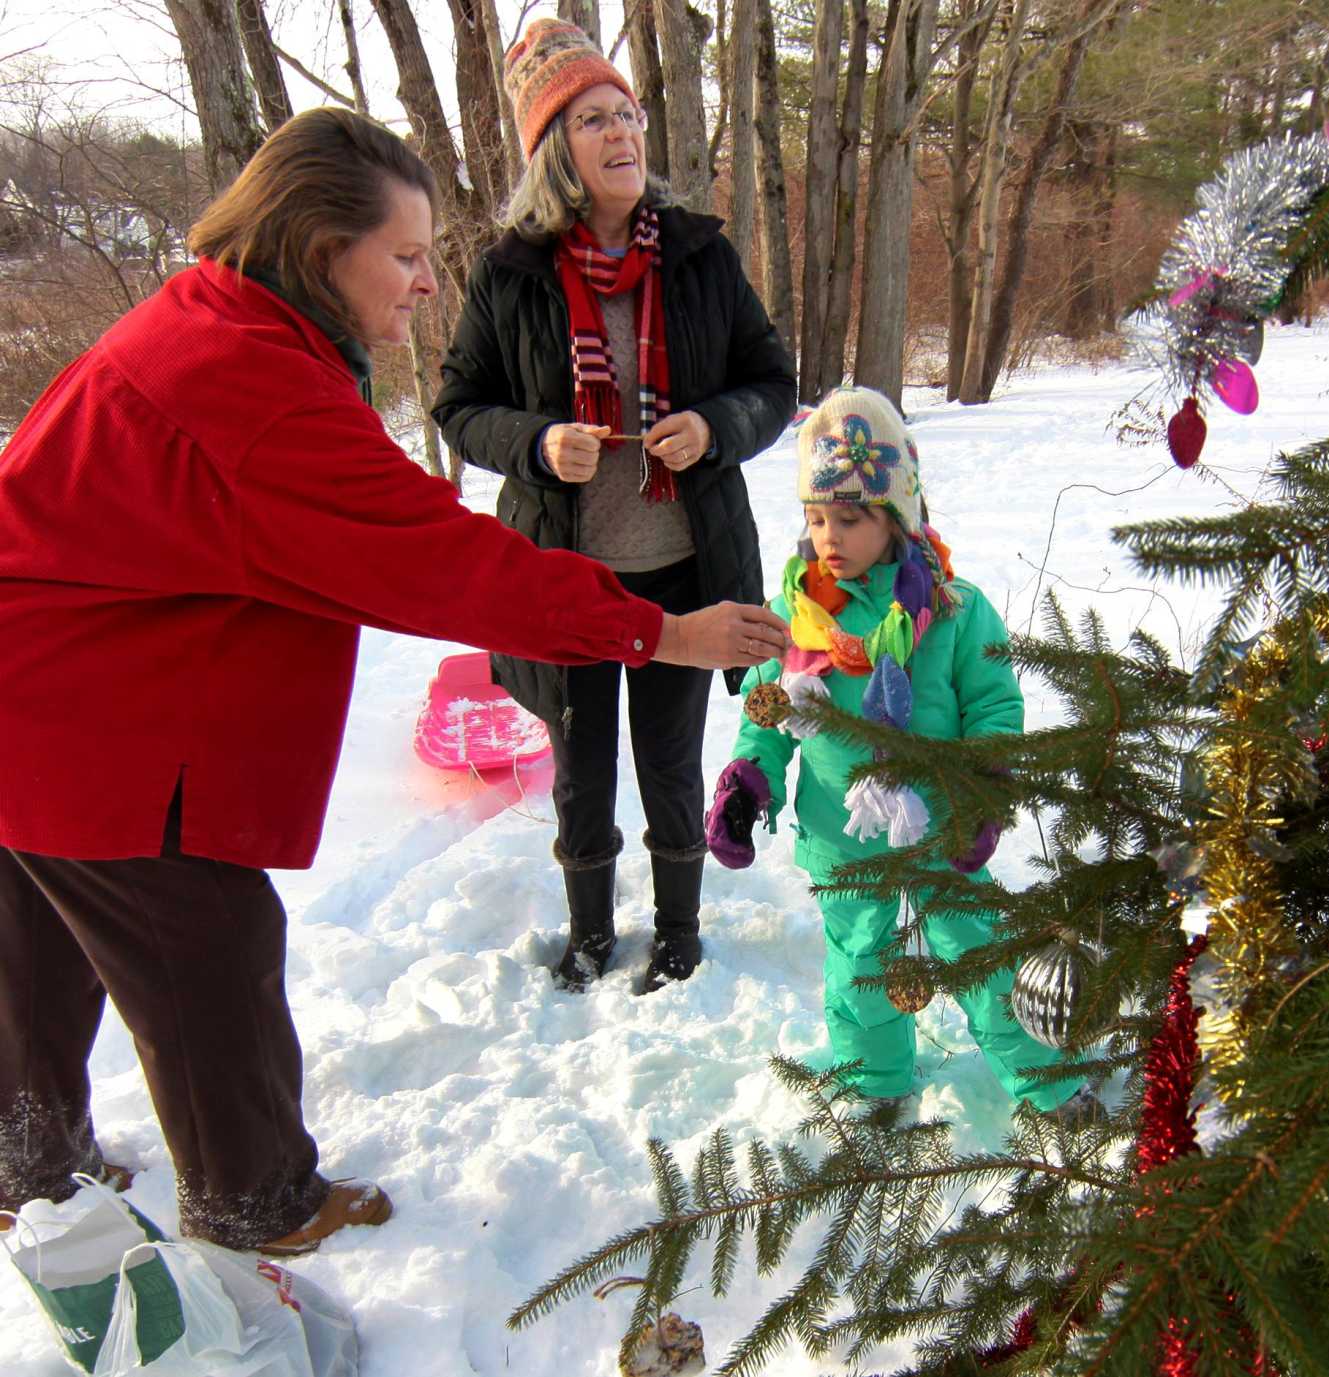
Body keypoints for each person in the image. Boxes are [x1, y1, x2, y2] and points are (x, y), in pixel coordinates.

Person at [0, 108, 789, 1255]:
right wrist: (662, 636)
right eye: (407, 255)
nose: (428, 283)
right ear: (324, 251)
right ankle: (256, 1200)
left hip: (45, 693)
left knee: (43, 936)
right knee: (203, 947)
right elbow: (445, 562)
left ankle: (30, 1165)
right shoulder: (249, 381)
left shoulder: (221, 321)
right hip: (80, 712)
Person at [434, 18, 796, 995]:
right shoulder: (509, 275)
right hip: (565, 579)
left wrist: (715, 426)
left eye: (626, 112)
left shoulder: (699, 259)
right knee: (581, 773)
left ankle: (678, 933)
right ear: (557, 150)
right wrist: (537, 443)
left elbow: (772, 382)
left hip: (686, 571)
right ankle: (589, 934)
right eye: (593, 118)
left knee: (672, 768)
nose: (621, 130)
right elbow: (459, 408)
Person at [705, 387, 1092, 1115]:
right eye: (816, 517)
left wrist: (983, 788)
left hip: (942, 825)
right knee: (860, 961)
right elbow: (767, 709)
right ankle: (875, 1080)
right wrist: (748, 781)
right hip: (841, 835)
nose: (828, 535)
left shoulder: (951, 607)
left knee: (979, 950)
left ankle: (1045, 1082)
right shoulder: (793, 616)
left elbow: (993, 705)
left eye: (849, 518)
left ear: (896, 517)